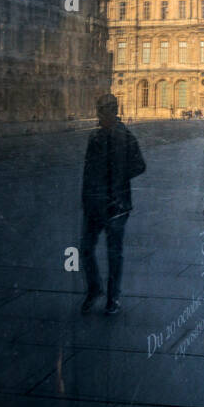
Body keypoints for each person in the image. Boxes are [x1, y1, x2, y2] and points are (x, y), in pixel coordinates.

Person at [80, 93, 147, 315]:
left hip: (115, 203)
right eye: (98, 110)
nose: (99, 116)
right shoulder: (95, 138)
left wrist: (118, 178)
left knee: (113, 253)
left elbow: (140, 165)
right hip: (96, 203)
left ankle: (113, 296)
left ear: (112, 111)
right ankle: (96, 288)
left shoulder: (126, 137)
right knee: (86, 248)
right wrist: (86, 198)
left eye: (102, 111)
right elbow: (87, 171)